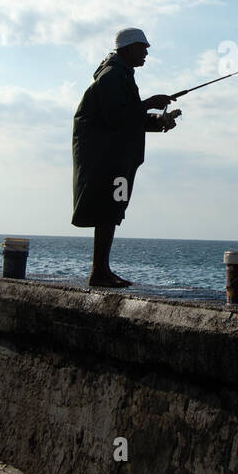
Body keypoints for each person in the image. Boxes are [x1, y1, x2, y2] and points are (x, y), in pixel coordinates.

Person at [71, 28, 180, 287]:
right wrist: (149, 103)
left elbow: (126, 117)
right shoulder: (112, 76)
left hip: (114, 156)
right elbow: (116, 116)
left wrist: (159, 121)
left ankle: (102, 270)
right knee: (107, 210)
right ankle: (99, 272)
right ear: (129, 48)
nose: (146, 54)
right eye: (143, 48)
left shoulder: (121, 75)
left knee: (111, 210)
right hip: (106, 157)